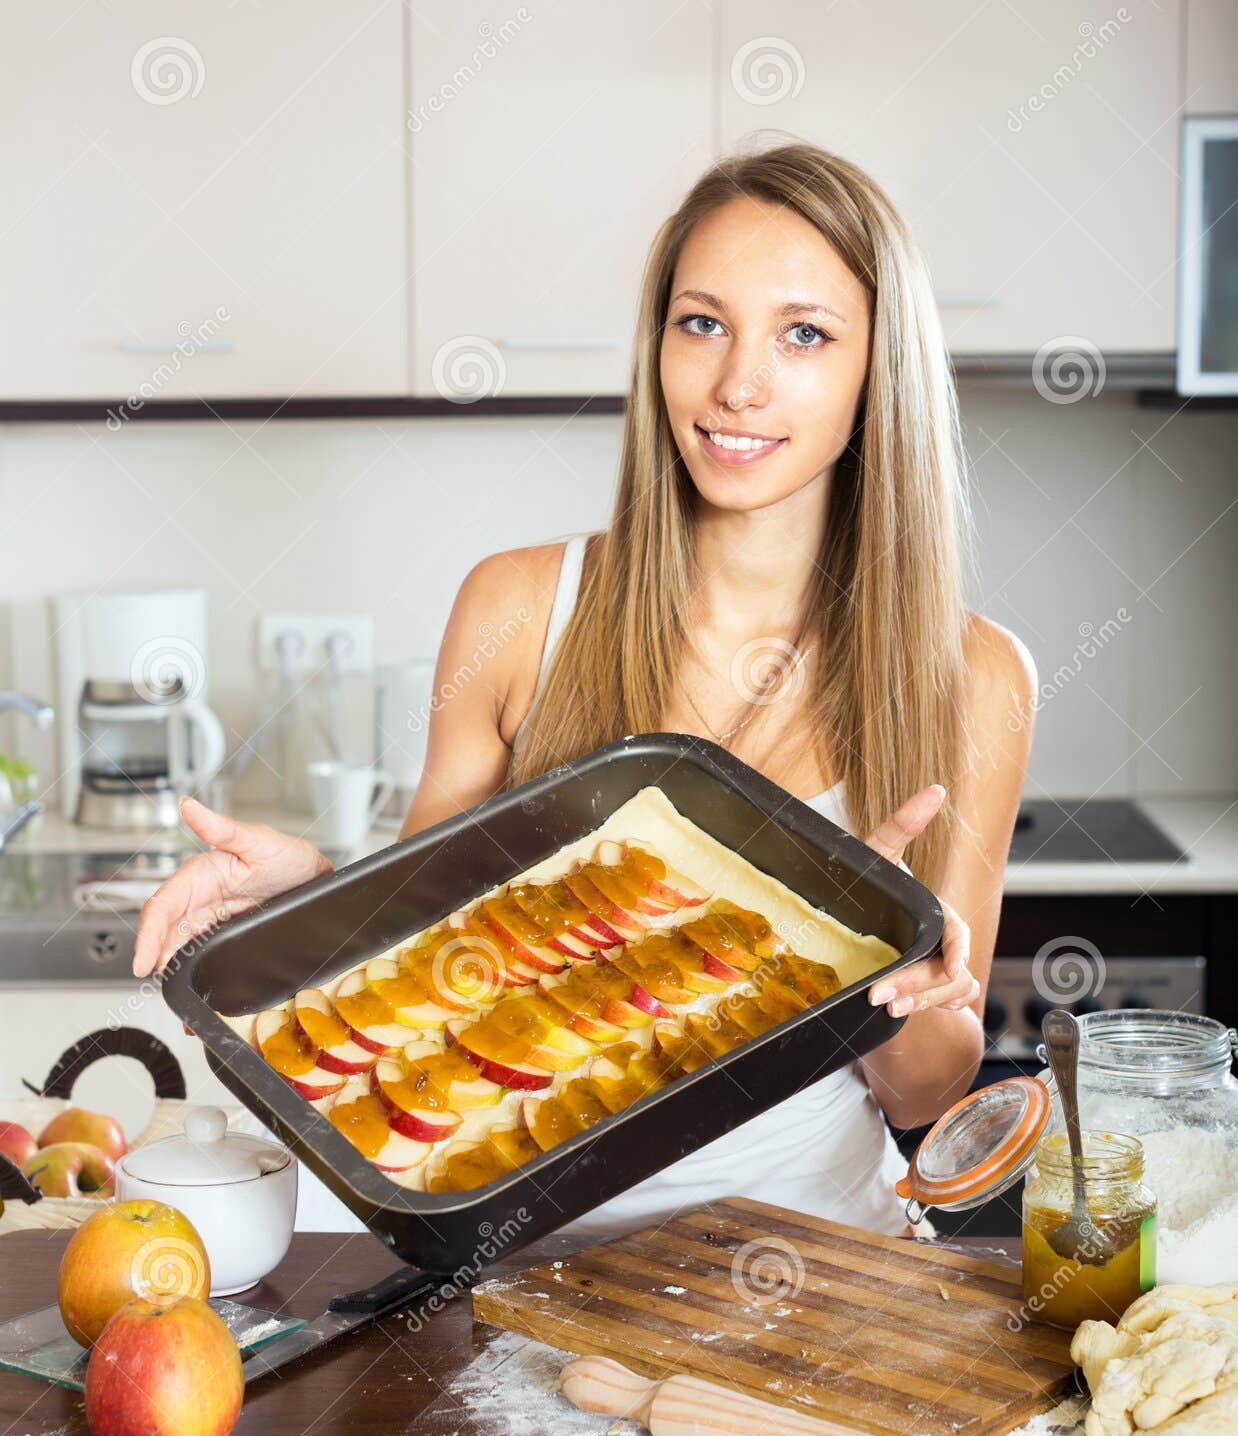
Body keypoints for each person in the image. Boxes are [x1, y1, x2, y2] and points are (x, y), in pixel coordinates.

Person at [133, 142, 1035, 1241]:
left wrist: (880, 960)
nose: (736, 383)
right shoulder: (518, 609)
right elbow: (425, 945)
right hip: (524, 1282)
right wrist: (305, 898)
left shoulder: (973, 679)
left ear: (874, 369)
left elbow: (925, 1092)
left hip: (816, 1266)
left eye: (803, 333)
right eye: (701, 322)